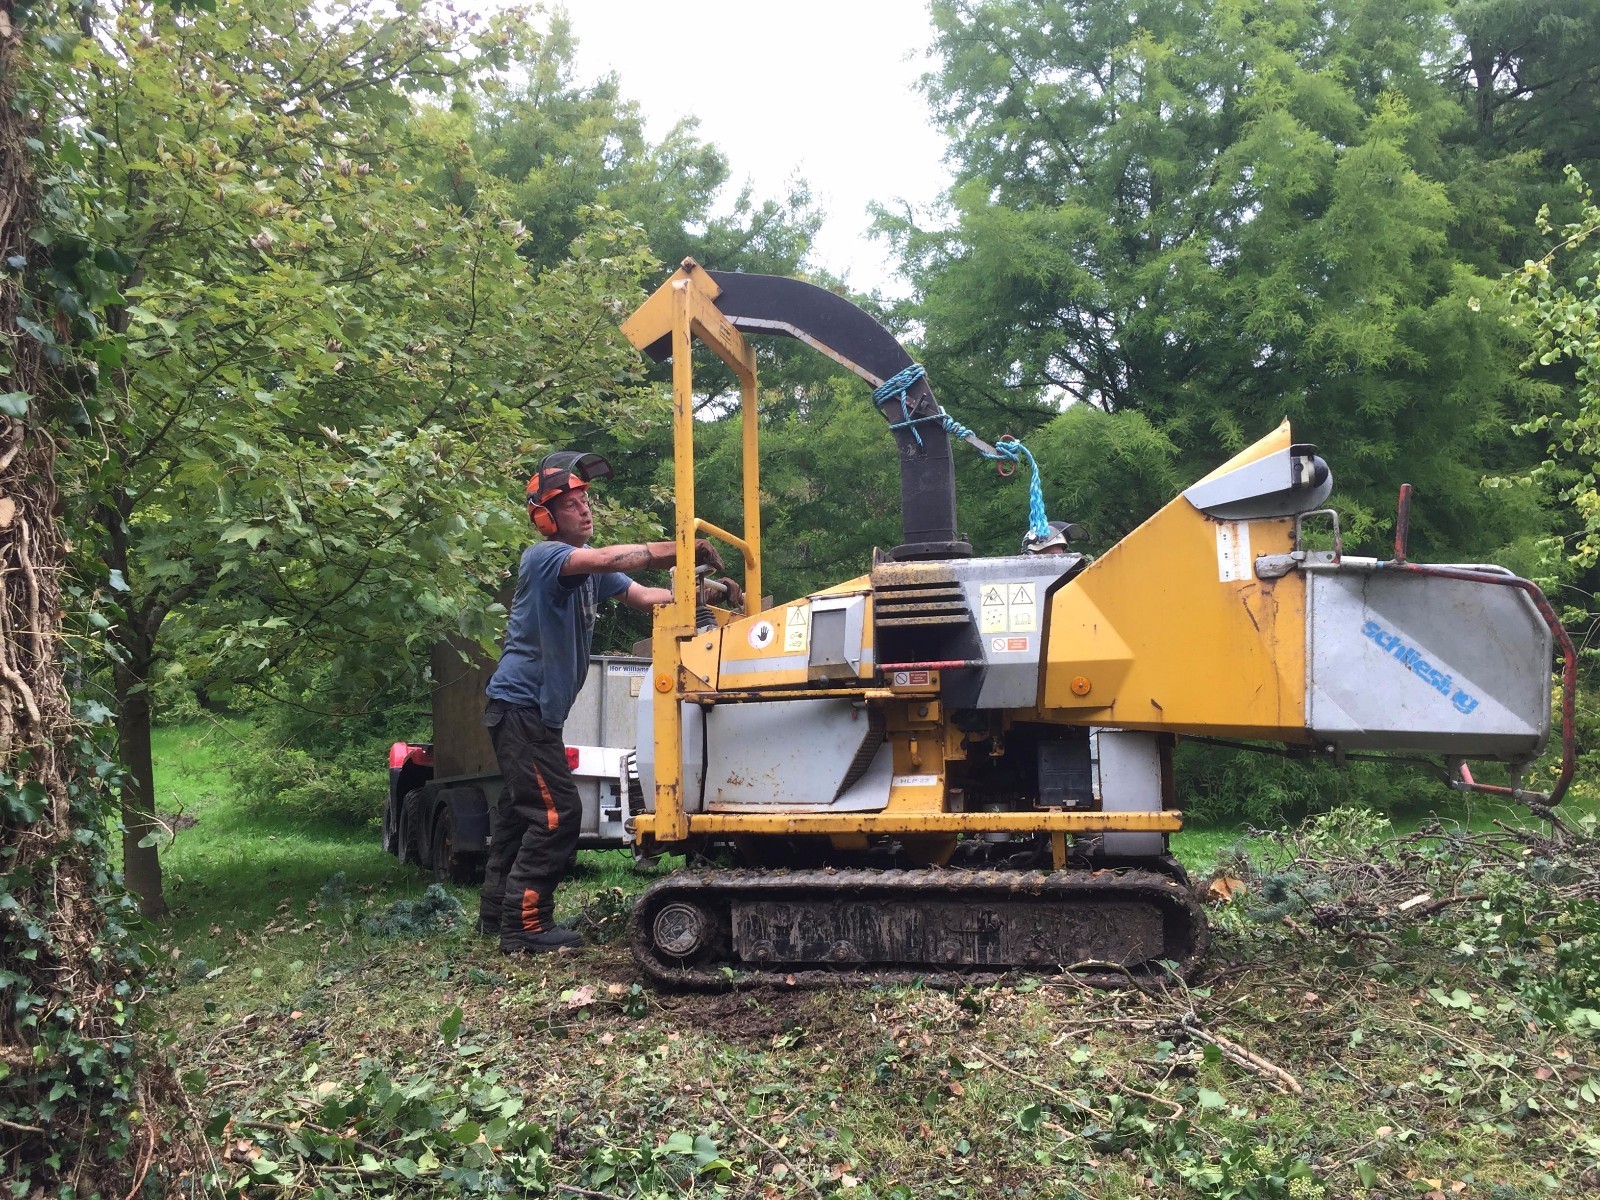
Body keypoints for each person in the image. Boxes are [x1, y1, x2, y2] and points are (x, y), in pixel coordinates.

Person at [479, 451, 742, 955]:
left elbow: (646, 597)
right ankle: (527, 928)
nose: (585, 510)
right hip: (521, 709)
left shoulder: (588, 574)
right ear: (546, 518)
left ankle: (497, 917)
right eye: (572, 504)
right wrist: (681, 549)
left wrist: (707, 591)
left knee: (521, 815)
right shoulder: (547, 558)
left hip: (531, 714)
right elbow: (608, 558)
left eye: (585, 501)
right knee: (556, 817)